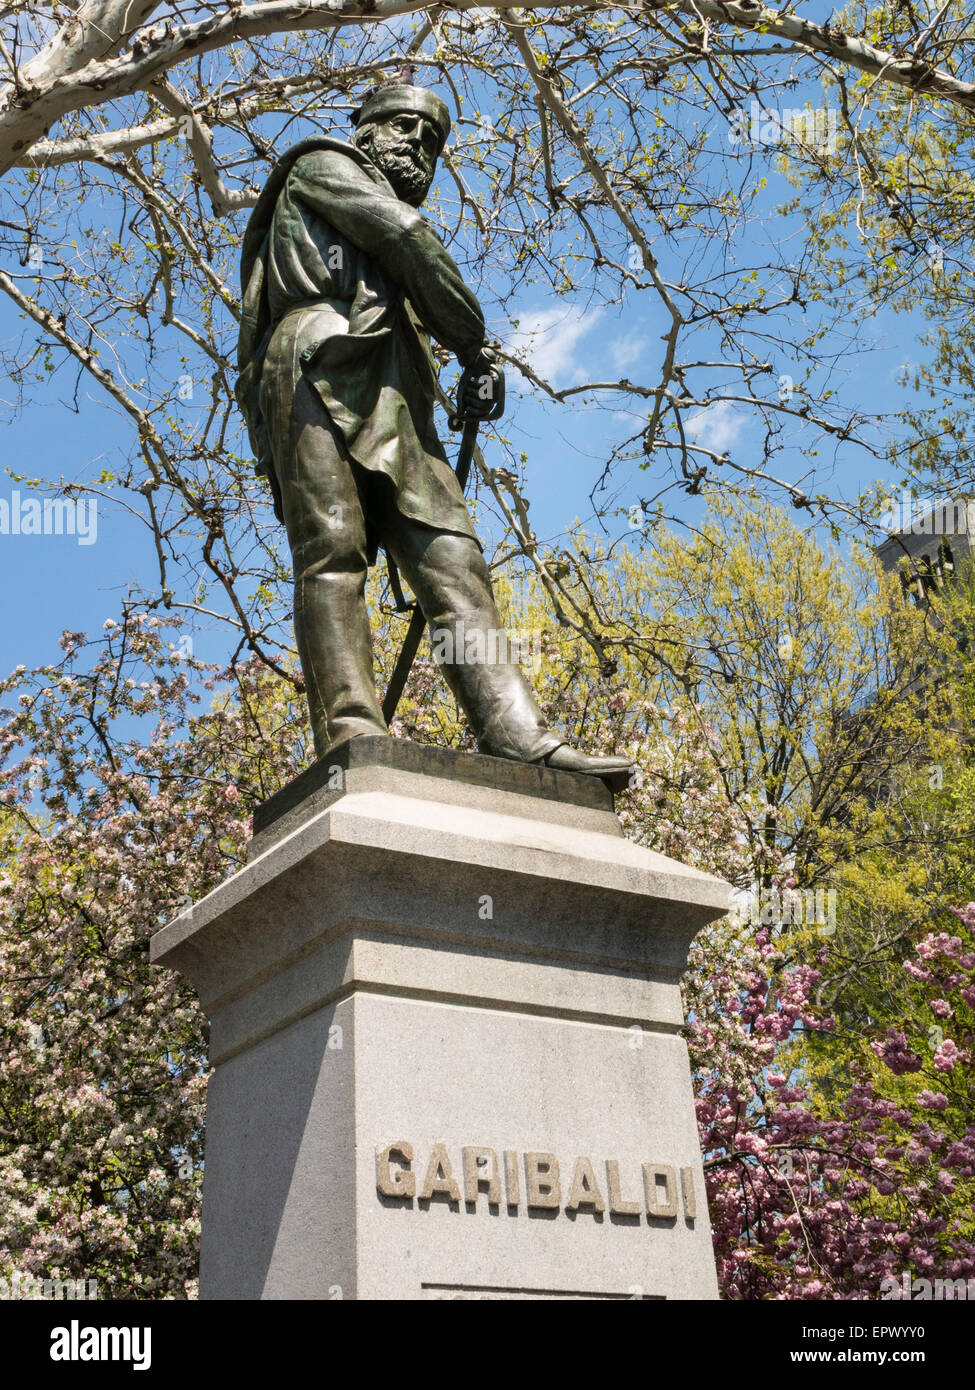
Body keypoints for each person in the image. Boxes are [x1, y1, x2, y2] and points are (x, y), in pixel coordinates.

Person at [236, 75, 632, 785]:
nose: (418, 142)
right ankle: (352, 735)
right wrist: (475, 346)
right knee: (332, 552)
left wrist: (454, 367)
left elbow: (404, 264)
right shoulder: (320, 164)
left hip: (396, 396)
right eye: (402, 125)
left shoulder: (382, 238)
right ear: (364, 128)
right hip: (316, 359)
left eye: (434, 138)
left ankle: (518, 735)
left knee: (453, 561)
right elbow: (408, 237)